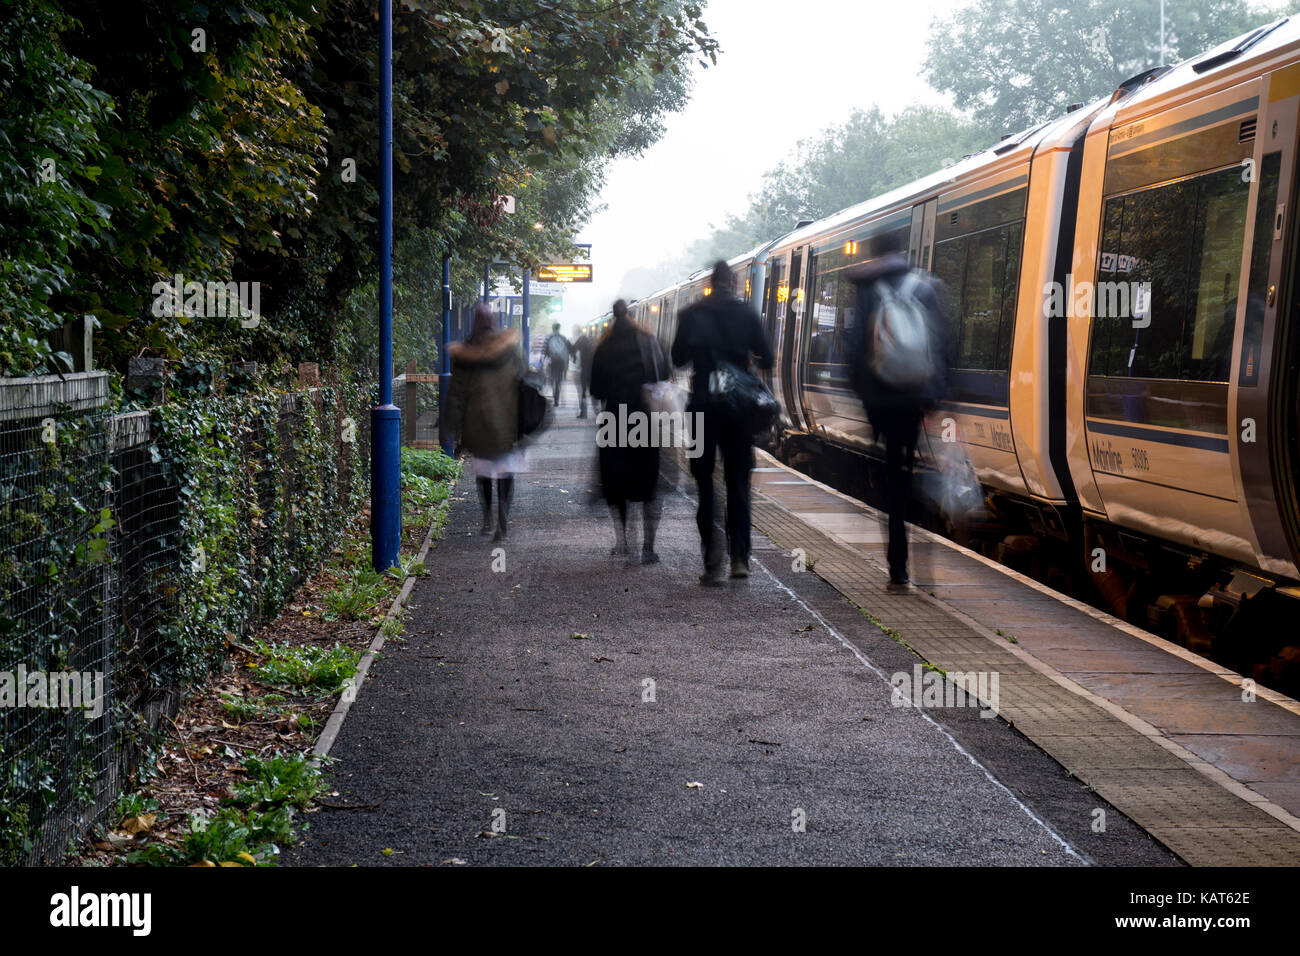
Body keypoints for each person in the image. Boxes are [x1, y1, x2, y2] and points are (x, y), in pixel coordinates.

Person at [845, 233, 949, 592]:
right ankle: (925, 565)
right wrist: (936, 398)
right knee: (912, 476)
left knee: (890, 486)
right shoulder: (924, 286)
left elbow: (856, 348)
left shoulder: (868, 290)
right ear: (902, 251)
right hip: (914, 400)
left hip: (883, 404)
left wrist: (865, 398)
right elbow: (943, 344)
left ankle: (898, 570)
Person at [671, 261, 774, 584]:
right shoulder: (745, 314)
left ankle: (711, 559)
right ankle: (739, 558)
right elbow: (768, 357)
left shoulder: (691, 314)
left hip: (703, 406)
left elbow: (677, 359)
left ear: (710, 283)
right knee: (738, 484)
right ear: (733, 282)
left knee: (704, 485)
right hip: (739, 409)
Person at [590, 300, 670, 563]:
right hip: (643, 418)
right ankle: (649, 547)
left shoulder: (604, 345)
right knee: (648, 482)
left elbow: (596, 390)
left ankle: (624, 541)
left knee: (616, 481)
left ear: (613, 317)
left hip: (614, 418)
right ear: (632, 315)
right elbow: (663, 374)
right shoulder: (648, 340)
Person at [446, 303, 525, 542]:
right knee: (506, 473)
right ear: (494, 321)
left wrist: (451, 425)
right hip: (508, 421)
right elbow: (523, 379)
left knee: (484, 474)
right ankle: (502, 516)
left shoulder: (465, 354)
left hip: (477, 423)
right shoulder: (510, 349)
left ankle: (487, 517)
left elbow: (457, 393)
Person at [571, 324, 597, 418]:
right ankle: (598, 412)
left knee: (583, 392)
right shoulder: (594, 340)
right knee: (594, 391)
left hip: (585, 369)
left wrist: (573, 358)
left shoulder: (581, 340)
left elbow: (573, 349)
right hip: (594, 370)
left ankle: (584, 413)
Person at [544, 322, 571, 406]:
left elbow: (545, 350)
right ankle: (557, 400)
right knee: (559, 381)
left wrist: (546, 359)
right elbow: (568, 349)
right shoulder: (563, 337)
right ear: (559, 328)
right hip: (561, 362)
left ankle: (553, 391)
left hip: (552, 361)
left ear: (552, 328)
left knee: (552, 379)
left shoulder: (549, 337)